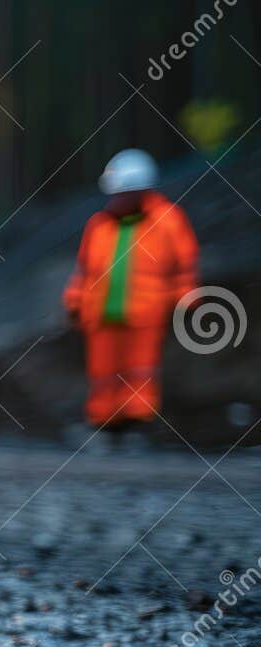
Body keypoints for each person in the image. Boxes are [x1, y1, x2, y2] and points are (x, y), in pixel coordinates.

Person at [63, 149, 199, 435]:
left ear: (141, 191)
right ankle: (105, 424)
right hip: (102, 313)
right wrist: (75, 300)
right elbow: (84, 269)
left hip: (145, 310)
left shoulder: (168, 220)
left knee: (139, 369)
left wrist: (187, 296)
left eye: (123, 194)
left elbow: (183, 263)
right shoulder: (98, 225)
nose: (117, 200)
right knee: (103, 372)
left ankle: (138, 422)